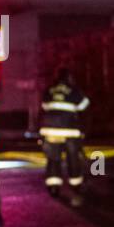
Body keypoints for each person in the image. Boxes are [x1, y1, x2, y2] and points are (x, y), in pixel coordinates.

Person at [39, 68, 90, 197]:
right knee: (73, 159)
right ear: (69, 78)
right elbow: (84, 105)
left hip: (50, 131)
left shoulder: (49, 89)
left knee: (53, 159)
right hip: (69, 131)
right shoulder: (73, 90)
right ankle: (76, 185)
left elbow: (44, 106)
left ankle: (54, 187)